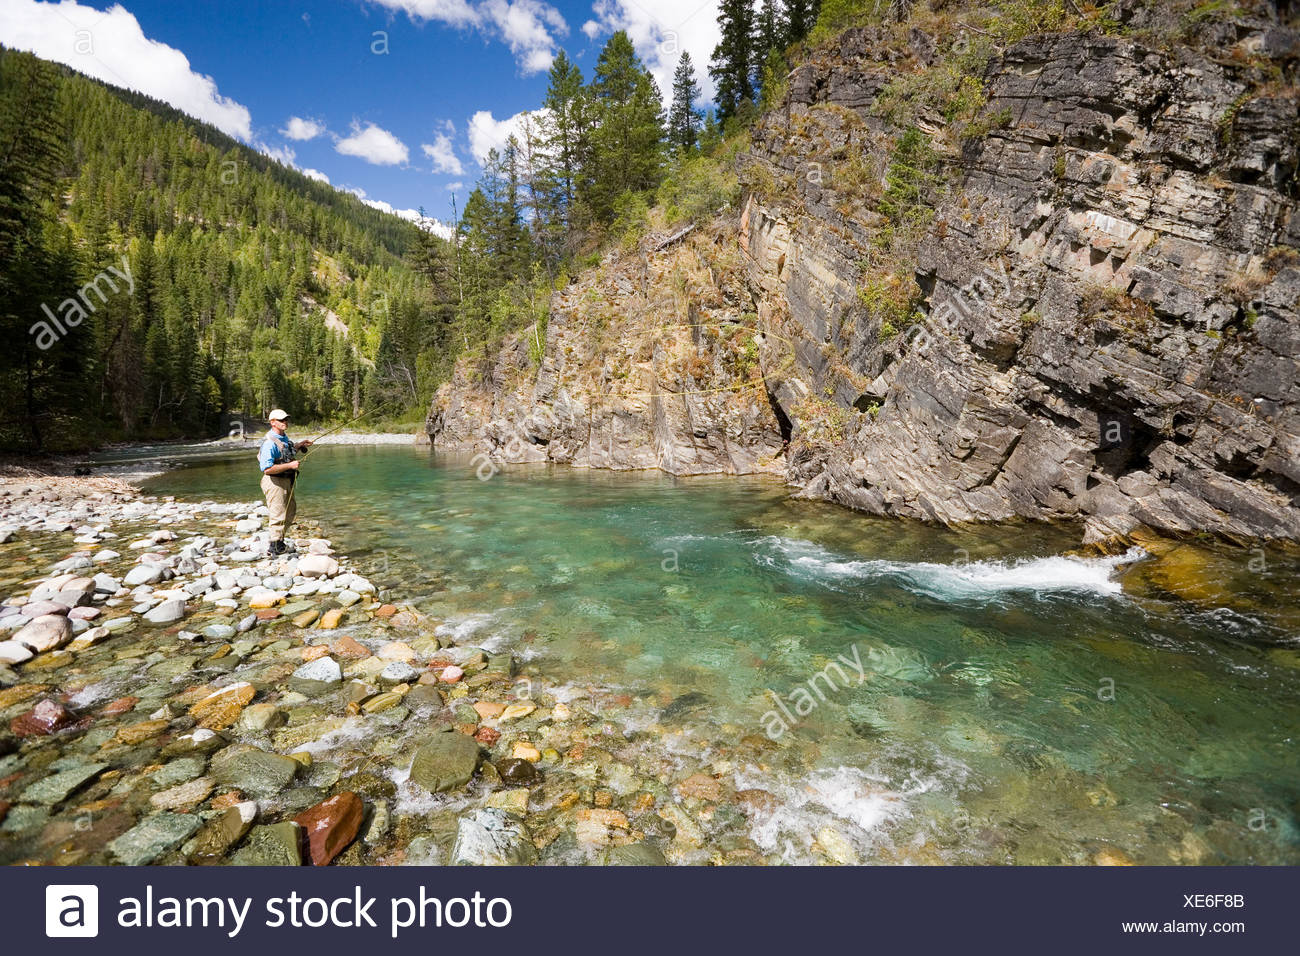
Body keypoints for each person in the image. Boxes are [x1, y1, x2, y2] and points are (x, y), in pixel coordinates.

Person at [258, 409, 312, 555]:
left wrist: (299, 445)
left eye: (286, 419)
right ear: (272, 422)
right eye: (281, 420)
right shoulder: (269, 443)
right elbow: (267, 469)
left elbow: (287, 452)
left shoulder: (283, 438)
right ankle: (274, 547)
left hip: (286, 480)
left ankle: (279, 542)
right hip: (274, 482)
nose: (285, 422)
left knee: (290, 511)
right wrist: (290, 466)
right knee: (278, 513)